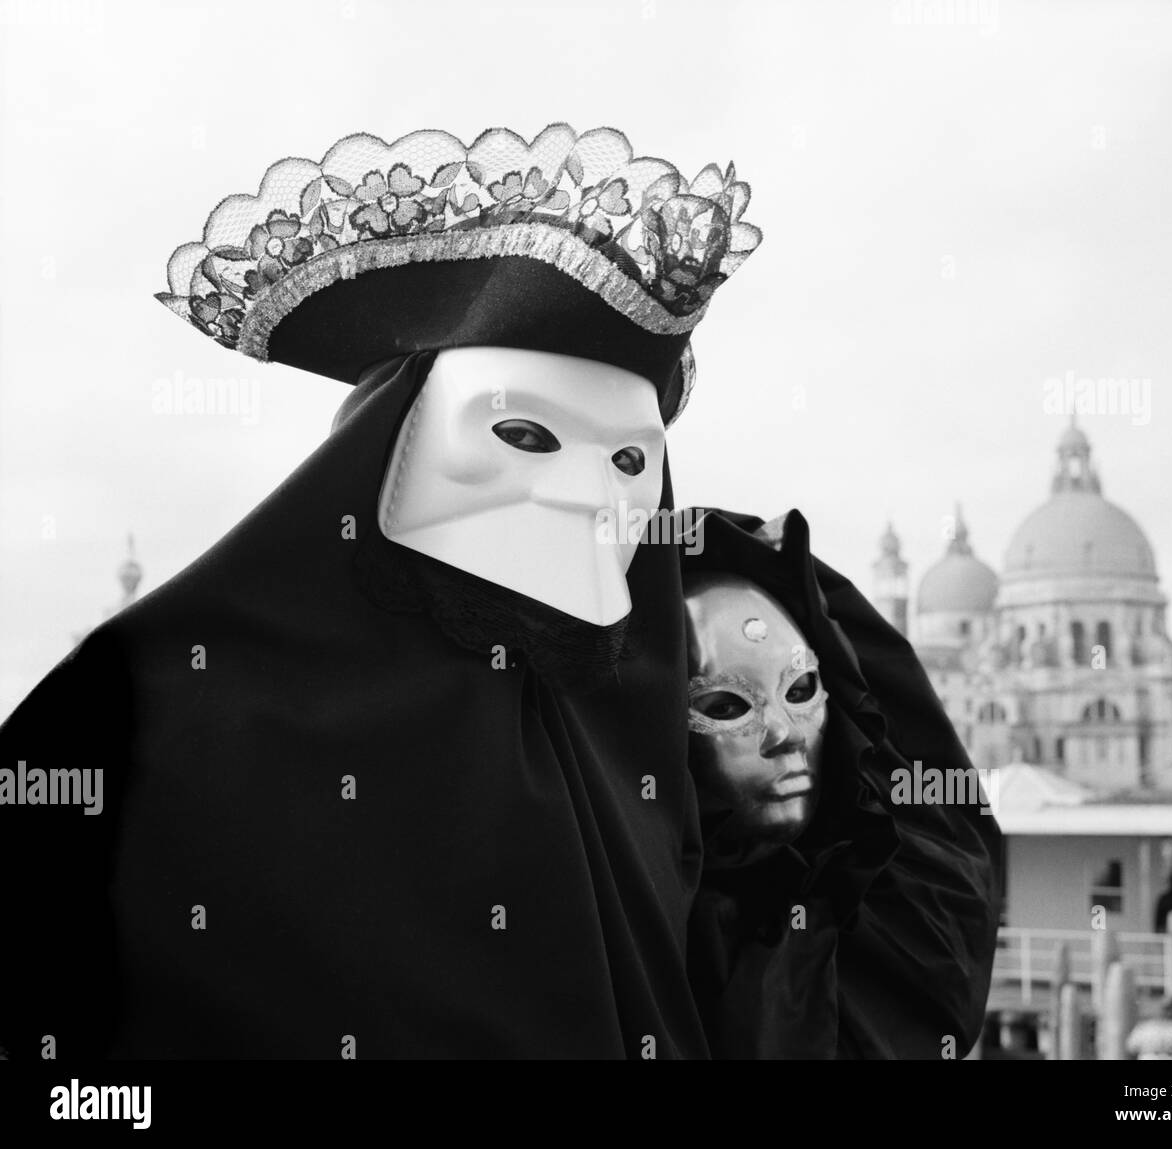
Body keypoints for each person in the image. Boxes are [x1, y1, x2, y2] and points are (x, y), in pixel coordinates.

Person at [0, 125, 761, 1058]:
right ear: (386, 447)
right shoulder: (159, 719)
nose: (593, 495)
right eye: (527, 434)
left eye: (633, 461)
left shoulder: (636, 750)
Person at [680, 509, 1002, 1058]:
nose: (786, 736)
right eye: (726, 704)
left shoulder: (905, 924)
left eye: (801, 690)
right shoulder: (621, 943)